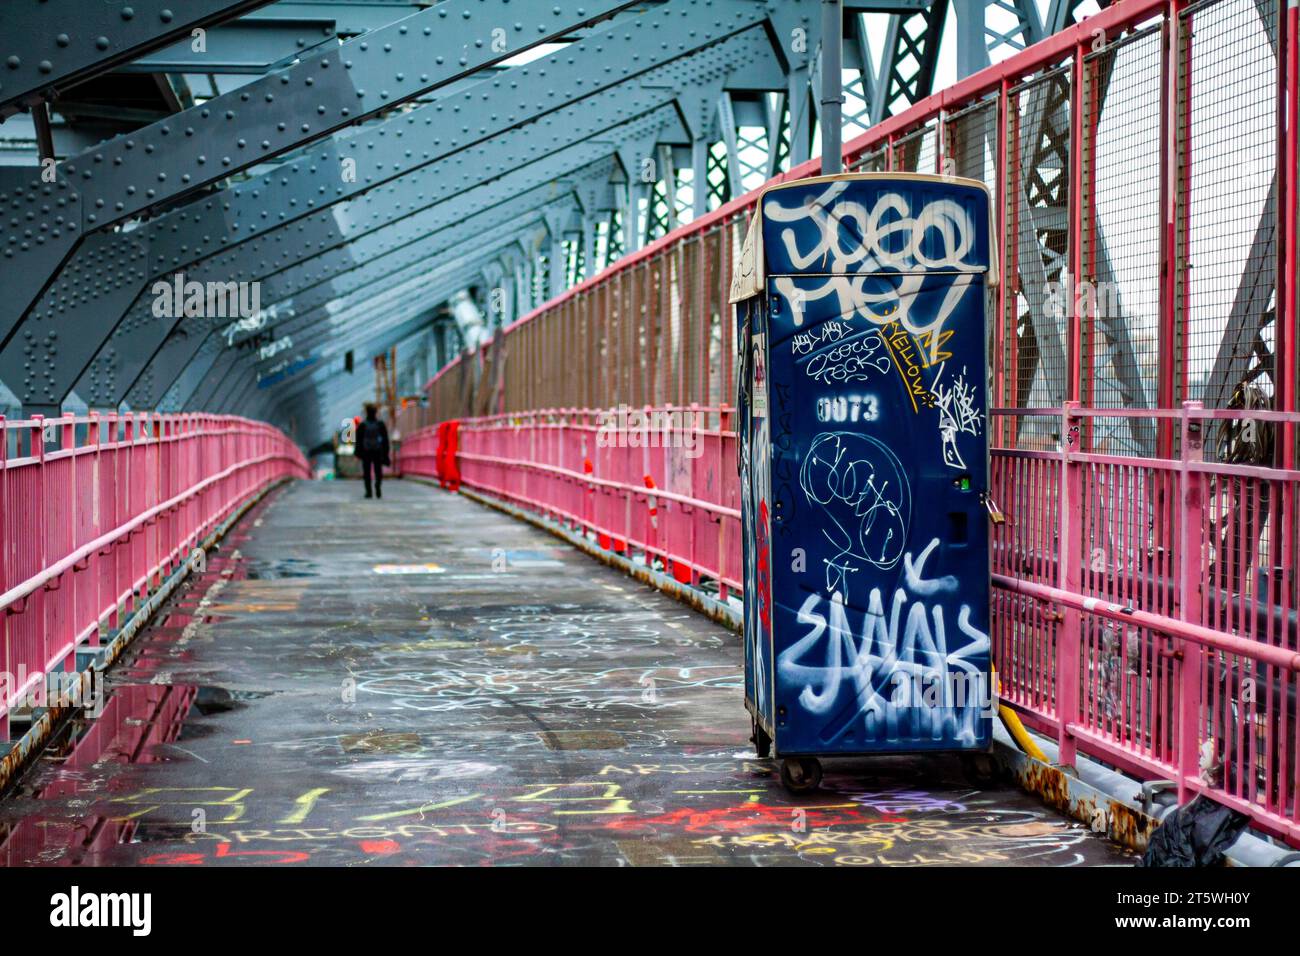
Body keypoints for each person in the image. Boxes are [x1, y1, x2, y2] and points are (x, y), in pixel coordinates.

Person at [354, 403, 390, 498]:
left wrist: (358, 452)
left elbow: (358, 440)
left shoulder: (362, 425)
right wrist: (385, 453)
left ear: (366, 412)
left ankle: (369, 492)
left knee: (367, 472)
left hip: (366, 451)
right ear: (375, 412)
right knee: (378, 470)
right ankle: (378, 486)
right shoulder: (380, 424)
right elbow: (385, 440)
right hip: (377, 451)